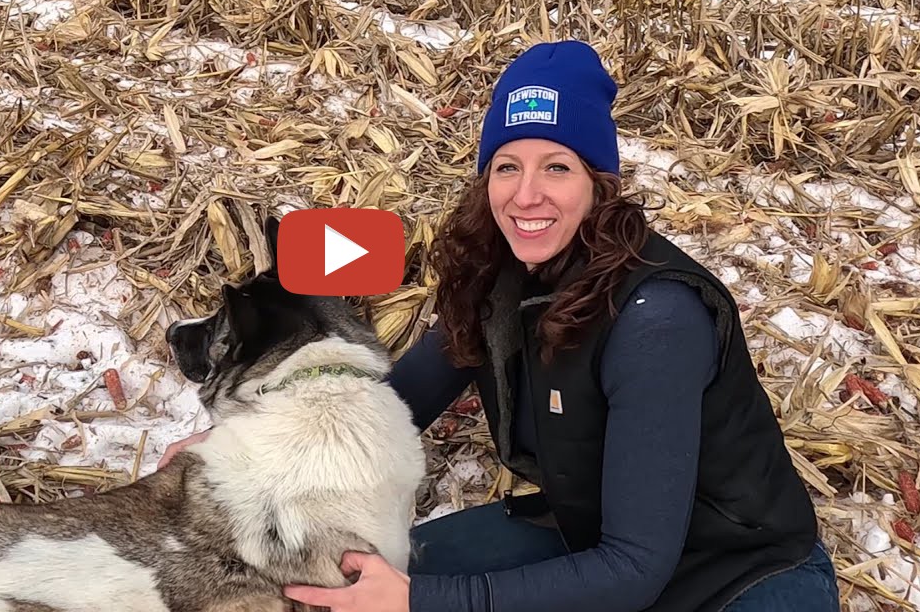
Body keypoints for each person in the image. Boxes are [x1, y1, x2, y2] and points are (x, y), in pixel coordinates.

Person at [158, 40, 842, 612]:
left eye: (557, 167)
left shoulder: (656, 321)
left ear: (598, 184)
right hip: (587, 535)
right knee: (346, 585)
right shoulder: (501, 278)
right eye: (507, 166)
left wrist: (419, 601)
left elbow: (635, 568)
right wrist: (249, 445)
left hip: (737, 577)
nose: (526, 195)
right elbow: (394, 405)